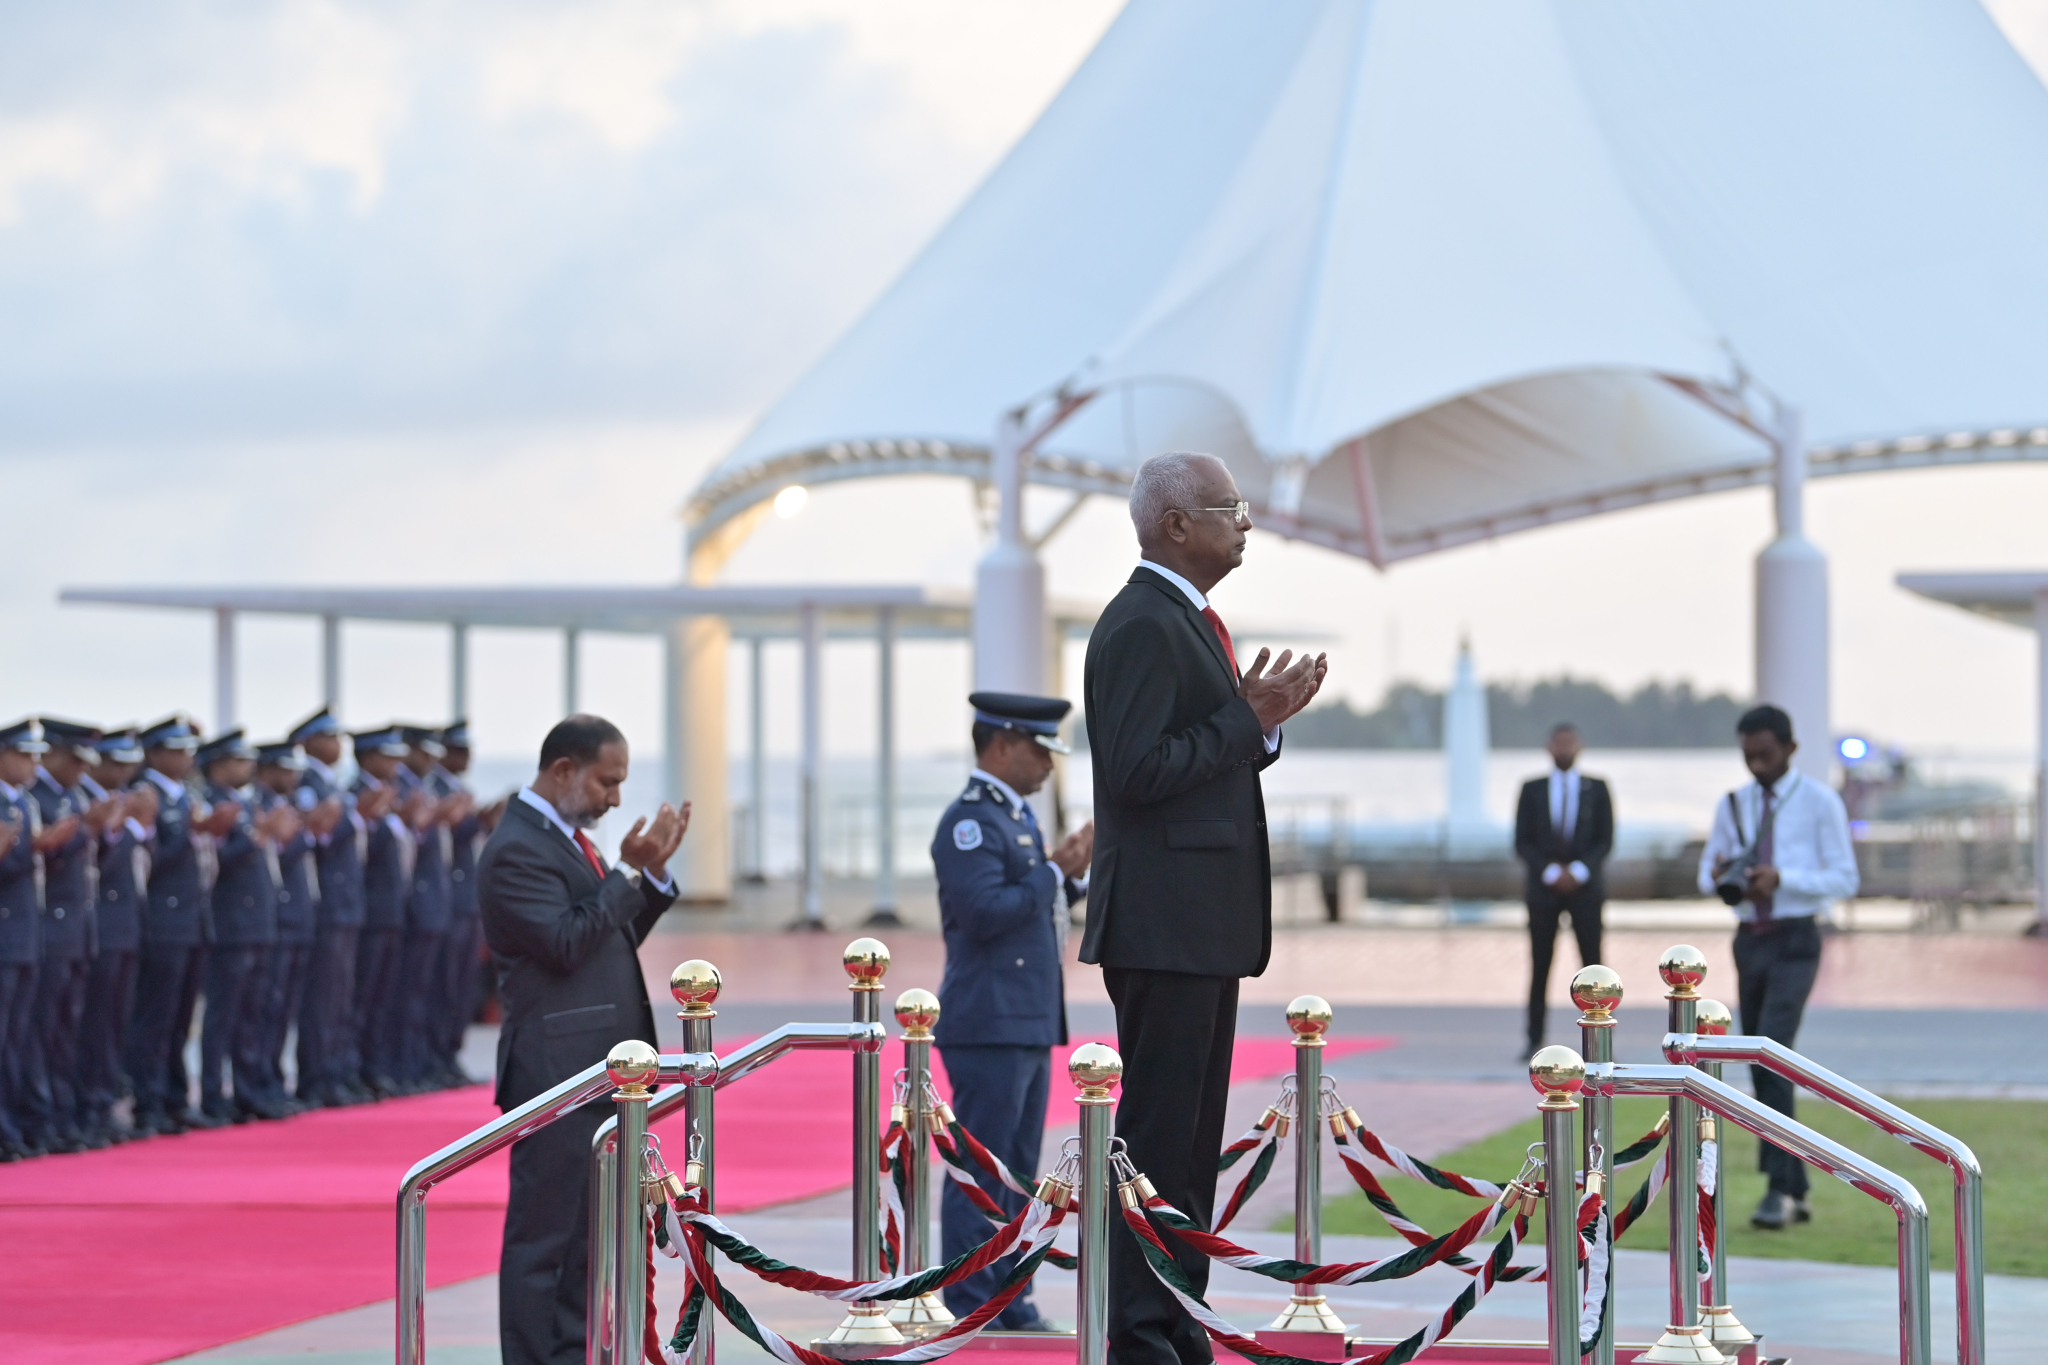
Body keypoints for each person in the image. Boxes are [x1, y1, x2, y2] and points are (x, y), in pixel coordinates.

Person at [1080, 451, 1326, 1365]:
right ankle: (1143, 1336)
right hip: (1164, 926)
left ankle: (1177, 1324)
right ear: (1177, 524)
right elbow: (1138, 772)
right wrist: (1244, 716)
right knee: (1154, 1149)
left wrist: (1259, 724)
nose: (1247, 522)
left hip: (1195, 928)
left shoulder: (1187, 620)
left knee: (1186, 1154)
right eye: (1232, 507)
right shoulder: (1145, 623)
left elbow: (1192, 761)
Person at [479, 714, 687, 1365]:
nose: (616, 798)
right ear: (563, 769)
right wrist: (626, 874)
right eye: (607, 781)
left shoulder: (564, 838)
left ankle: (571, 1351)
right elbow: (566, 941)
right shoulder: (518, 846)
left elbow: (606, 942)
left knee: (584, 1241)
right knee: (547, 1240)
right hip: (556, 1069)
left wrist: (646, 879)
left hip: (596, 1069)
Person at [930, 690, 1092, 1330]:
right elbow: (983, 913)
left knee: (1018, 1174)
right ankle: (972, 1302)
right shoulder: (971, 821)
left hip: (1022, 1019)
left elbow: (1030, 904)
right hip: (989, 1020)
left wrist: (1067, 876)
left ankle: (1010, 1299)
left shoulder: (1013, 816)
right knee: (982, 1171)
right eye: (1038, 749)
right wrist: (1053, 872)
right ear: (1001, 744)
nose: (1049, 764)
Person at [1698, 703, 1858, 1230]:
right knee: (1759, 1060)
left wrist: (1782, 878)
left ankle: (1777, 1190)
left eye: (1765, 754)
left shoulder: (1818, 801)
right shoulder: (1733, 803)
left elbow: (1844, 879)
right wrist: (1725, 872)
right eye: (1747, 756)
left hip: (1795, 937)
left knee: (1770, 1054)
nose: (1756, 765)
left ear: (1789, 749)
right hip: (1750, 938)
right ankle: (1797, 1185)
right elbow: (1707, 876)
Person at [129, 714, 236, 1136]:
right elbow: (149, 863)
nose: (184, 758)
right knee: (155, 1018)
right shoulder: (148, 794)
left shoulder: (184, 795)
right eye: (174, 750)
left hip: (193, 920)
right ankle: (148, 1100)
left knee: (179, 1017)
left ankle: (174, 1096)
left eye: (187, 750)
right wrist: (191, 833)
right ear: (154, 754)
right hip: (165, 922)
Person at [197, 730, 289, 1123]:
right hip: (231, 924)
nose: (248, 767)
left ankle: (249, 1089)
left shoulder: (245, 803)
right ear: (218, 765)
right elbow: (216, 864)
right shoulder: (211, 805)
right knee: (224, 1015)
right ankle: (213, 1092)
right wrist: (257, 837)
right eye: (238, 761)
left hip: (258, 922)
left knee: (253, 1012)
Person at [22, 720, 105, 1153]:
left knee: (67, 1028)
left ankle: (61, 1113)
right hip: (48, 930)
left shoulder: (75, 796)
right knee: (40, 1031)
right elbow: (47, 860)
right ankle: (40, 1117)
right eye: (74, 760)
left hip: (76, 929)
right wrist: (82, 831)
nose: (80, 770)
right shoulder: (40, 798)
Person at [1512, 723, 1614, 1057]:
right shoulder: (1532, 789)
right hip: (1544, 891)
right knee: (1540, 964)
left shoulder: (1597, 788)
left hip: (1585, 891)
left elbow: (1605, 839)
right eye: (1558, 743)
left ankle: (1598, 1041)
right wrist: (1552, 871)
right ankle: (1533, 1038)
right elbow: (1522, 842)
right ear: (1548, 747)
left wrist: (1580, 871)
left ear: (1579, 746)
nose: (1564, 749)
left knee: (1593, 968)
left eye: (1569, 743)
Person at [79, 727, 154, 1143]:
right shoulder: (89, 804)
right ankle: (85, 1108)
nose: (124, 771)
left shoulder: (126, 803)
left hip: (126, 927)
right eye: (115, 762)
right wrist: (116, 829)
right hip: (98, 930)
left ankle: (102, 1105)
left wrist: (138, 826)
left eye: (129, 763)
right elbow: (97, 869)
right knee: (91, 1026)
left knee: (113, 1025)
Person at [292, 708, 369, 1107]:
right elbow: (317, 837)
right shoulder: (306, 782)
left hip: (346, 904)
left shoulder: (331, 784)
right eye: (330, 737)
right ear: (308, 742)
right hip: (327, 905)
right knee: (322, 999)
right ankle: (317, 1076)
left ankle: (336, 1070)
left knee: (340, 996)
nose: (338, 745)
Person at [254, 740, 322, 1114]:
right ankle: (260, 1082)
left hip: (297, 918)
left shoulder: (285, 806)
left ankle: (273, 1080)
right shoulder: (260, 806)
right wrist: (293, 834)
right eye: (284, 769)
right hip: (275, 919)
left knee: (283, 1008)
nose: (293, 776)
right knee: (267, 1007)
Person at [0, 719, 52, 1160]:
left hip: (26, 932)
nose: (33, 764)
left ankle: (16, 1123)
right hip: (6, 934)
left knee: (19, 1035)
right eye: (24, 754)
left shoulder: (26, 802)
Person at [432, 720, 494, 1087]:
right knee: (440, 987)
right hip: (446, 900)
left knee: (460, 986)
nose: (466, 757)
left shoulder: (456, 789)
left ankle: (448, 1056)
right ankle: (433, 1056)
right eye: (460, 750)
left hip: (463, 900)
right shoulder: (435, 790)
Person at [351, 726, 412, 1098]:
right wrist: (365, 817)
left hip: (392, 911)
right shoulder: (356, 794)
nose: (395, 764)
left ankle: (378, 1066)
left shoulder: (392, 795)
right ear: (369, 758)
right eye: (387, 756)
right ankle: (356, 1069)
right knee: (361, 997)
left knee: (384, 997)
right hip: (370, 912)